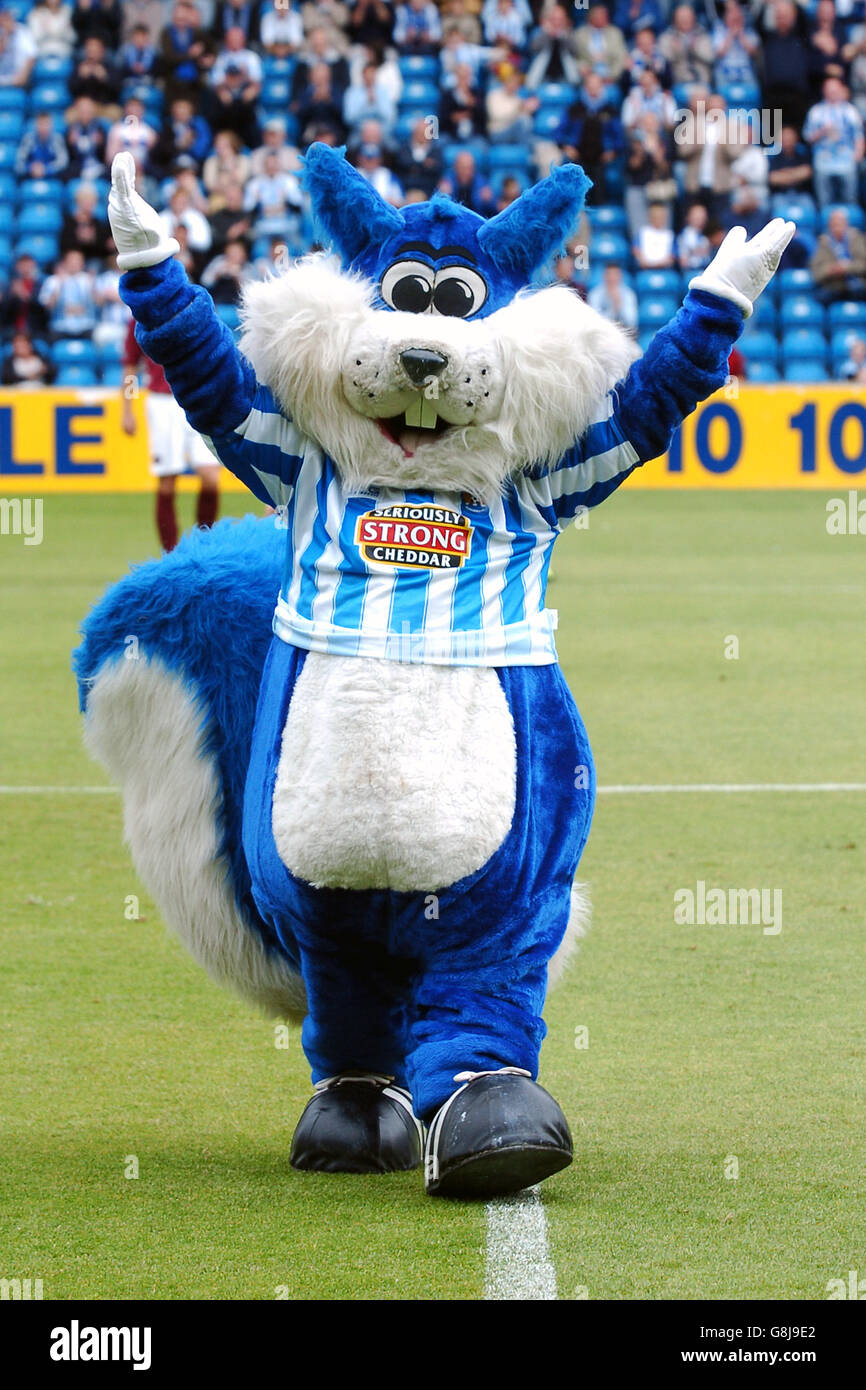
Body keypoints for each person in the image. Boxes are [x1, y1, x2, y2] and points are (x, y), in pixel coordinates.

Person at [121, 317, 221, 553]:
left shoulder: (193, 306)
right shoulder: (140, 317)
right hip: (162, 402)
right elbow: (130, 367)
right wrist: (127, 407)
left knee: (211, 478)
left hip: (197, 398)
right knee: (167, 482)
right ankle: (171, 554)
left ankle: (203, 547)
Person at [803, 77, 865, 207]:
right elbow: (807, 137)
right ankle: (825, 221)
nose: (832, 92)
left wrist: (858, 154)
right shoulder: (816, 112)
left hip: (846, 158)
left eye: (835, 89)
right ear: (824, 91)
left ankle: (850, 222)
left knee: (850, 198)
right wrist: (821, 132)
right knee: (824, 200)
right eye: (829, 89)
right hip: (823, 159)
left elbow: (859, 135)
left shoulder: (850, 111)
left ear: (841, 90)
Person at [810, 205, 866, 302]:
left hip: (858, 285)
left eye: (839, 224)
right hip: (834, 287)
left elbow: (863, 264)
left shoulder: (857, 239)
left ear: (846, 224)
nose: (837, 228)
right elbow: (816, 273)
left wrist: (847, 267)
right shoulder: (823, 243)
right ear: (829, 226)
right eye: (834, 225)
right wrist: (831, 269)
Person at [39, 249, 97, 338]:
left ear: (82, 263)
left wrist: (93, 288)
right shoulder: (53, 280)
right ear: (64, 263)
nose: (74, 263)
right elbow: (47, 306)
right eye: (71, 260)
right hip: (60, 326)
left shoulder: (88, 280)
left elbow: (99, 303)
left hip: (86, 326)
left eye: (77, 260)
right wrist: (59, 286)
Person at [574, 3, 627, 84]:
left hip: (610, 76)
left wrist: (612, 76)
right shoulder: (580, 35)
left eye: (603, 15)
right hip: (587, 77)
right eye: (598, 16)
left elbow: (621, 57)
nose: (601, 18)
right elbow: (575, 57)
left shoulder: (615, 33)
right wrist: (582, 68)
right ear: (591, 17)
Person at [1, 254, 48, 338]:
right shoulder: (10, 285)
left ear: (34, 265)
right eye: (22, 265)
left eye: (28, 265)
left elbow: (43, 309)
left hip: (35, 329)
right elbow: (5, 312)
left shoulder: (42, 284)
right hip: (12, 330)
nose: (25, 268)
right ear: (17, 267)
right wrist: (11, 295)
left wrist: (25, 296)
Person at [15, 111, 69, 179]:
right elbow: (19, 163)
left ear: (51, 125)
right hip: (30, 178)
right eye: (41, 124)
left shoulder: (57, 139)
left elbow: (63, 162)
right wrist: (31, 168)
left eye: (46, 124)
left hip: (52, 178)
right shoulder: (28, 139)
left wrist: (46, 169)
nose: (43, 127)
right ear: (36, 125)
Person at [65, 95, 107, 180]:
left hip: (97, 166)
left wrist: (100, 144)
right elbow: (68, 157)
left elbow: (105, 155)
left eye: (88, 110)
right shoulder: (71, 128)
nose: (85, 113)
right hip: (77, 167)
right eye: (82, 110)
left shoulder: (100, 128)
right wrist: (70, 144)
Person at [588, 261, 638, 327]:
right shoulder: (595, 294)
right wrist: (613, 310)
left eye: (615, 275)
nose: (612, 278)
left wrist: (619, 305)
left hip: (624, 331)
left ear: (620, 276)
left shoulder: (628, 294)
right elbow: (594, 321)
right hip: (602, 331)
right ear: (604, 276)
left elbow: (632, 322)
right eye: (609, 274)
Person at [633, 199, 675, 267]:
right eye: (656, 216)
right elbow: (636, 250)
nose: (658, 219)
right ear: (650, 217)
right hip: (645, 270)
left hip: (665, 270)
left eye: (661, 217)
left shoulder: (670, 234)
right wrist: (645, 262)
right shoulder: (642, 232)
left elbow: (672, 256)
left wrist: (659, 264)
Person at [676, 201, 712, 269]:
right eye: (696, 214)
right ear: (688, 217)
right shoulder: (683, 236)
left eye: (702, 214)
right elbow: (683, 262)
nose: (700, 217)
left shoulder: (708, 235)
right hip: (690, 272)